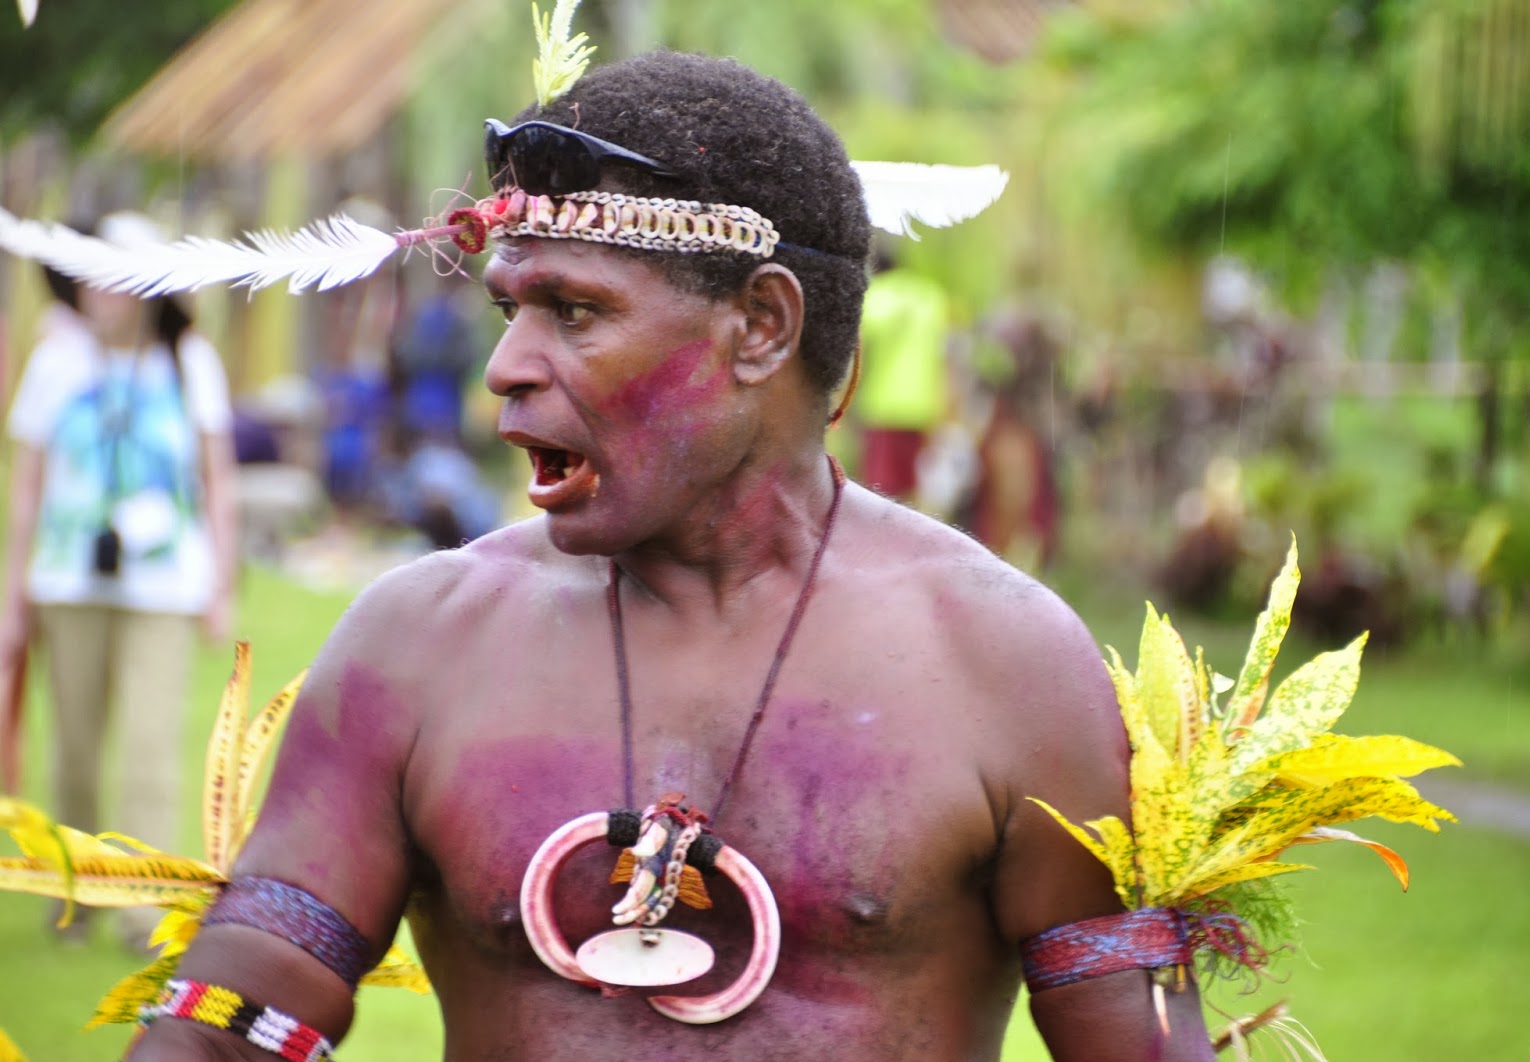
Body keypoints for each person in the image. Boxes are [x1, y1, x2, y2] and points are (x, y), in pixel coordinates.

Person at [128, 51, 1211, 1061]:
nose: (505, 365)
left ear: (761, 327)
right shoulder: (418, 644)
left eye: (575, 311)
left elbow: (1139, 1038)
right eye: (510, 306)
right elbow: (250, 995)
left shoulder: (1005, 664)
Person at [0, 212, 238, 948]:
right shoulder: (57, 363)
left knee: (150, 744)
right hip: (68, 579)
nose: (106, 290)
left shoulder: (188, 361)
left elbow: (216, 479)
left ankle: (142, 906)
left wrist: (221, 584)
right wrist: (13, 597)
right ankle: (72, 892)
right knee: (71, 748)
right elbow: (29, 486)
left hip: (164, 582)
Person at [853, 246, 954, 505]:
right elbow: (944, 354)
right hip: (923, 405)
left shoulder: (875, 296)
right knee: (911, 486)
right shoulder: (932, 297)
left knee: (881, 486)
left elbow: (860, 346)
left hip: (885, 405)